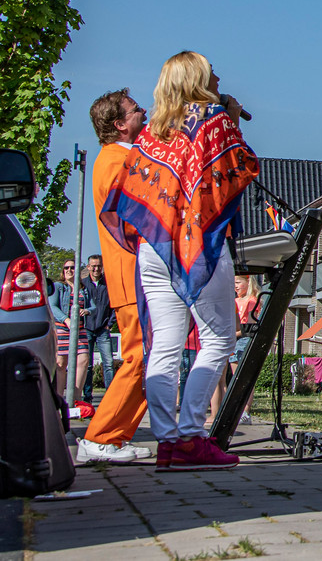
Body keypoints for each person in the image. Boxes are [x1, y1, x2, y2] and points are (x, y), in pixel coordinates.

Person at [100, 51, 258, 472]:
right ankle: (191, 434)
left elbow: (136, 189)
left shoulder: (152, 131)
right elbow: (241, 167)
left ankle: (167, 442)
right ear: (199, 79)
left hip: (155, 246)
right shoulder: (213, 119)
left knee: (165, 345)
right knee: (219, 338)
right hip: (198, 244)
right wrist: (233, 118)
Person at [79, 90, 152, 464]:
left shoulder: (122, 158)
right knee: (139, 357)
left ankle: (114, 435)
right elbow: (130, 218)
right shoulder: (114, 161)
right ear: (119, 124)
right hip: (132, 274)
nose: (144, 111)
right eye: (135, 109)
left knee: (147, 357)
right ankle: (101, 435)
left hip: (136, 273)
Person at [49, 260, 91, 404]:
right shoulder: (58, 287)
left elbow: (93, 306)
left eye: (72, 268)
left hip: (80, 329)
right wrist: (65, 319)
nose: (69, 270)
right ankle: (60, 400)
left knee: (84, 359)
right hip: (62, 329)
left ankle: (76, 398)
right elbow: (52, 306)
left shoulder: (83, 289)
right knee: (61, 363)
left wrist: (87, 311)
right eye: (66, 268)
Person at [81, 254, 114, 404]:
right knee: (87, 365)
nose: (96, 268)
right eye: (93, 266)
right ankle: (87, 397)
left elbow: (114, 304)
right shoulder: (82, 284)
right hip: (86, 328)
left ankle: (110, 398)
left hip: (102, 328)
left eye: (98, 266)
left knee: (108, 363)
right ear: (88, 267)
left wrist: (110, 323)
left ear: (102, 267)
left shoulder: (109, 284)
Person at [229, 275, 262, 424]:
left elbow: (248, 327)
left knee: (244, 377)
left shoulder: (251, 301)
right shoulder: (235, 301)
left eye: (238, 283)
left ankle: (245, 411)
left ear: (248, 282)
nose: (235, 286)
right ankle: (236, 409)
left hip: (243, 340)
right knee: (235, 378)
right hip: (233, 341)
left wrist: (230, 334)